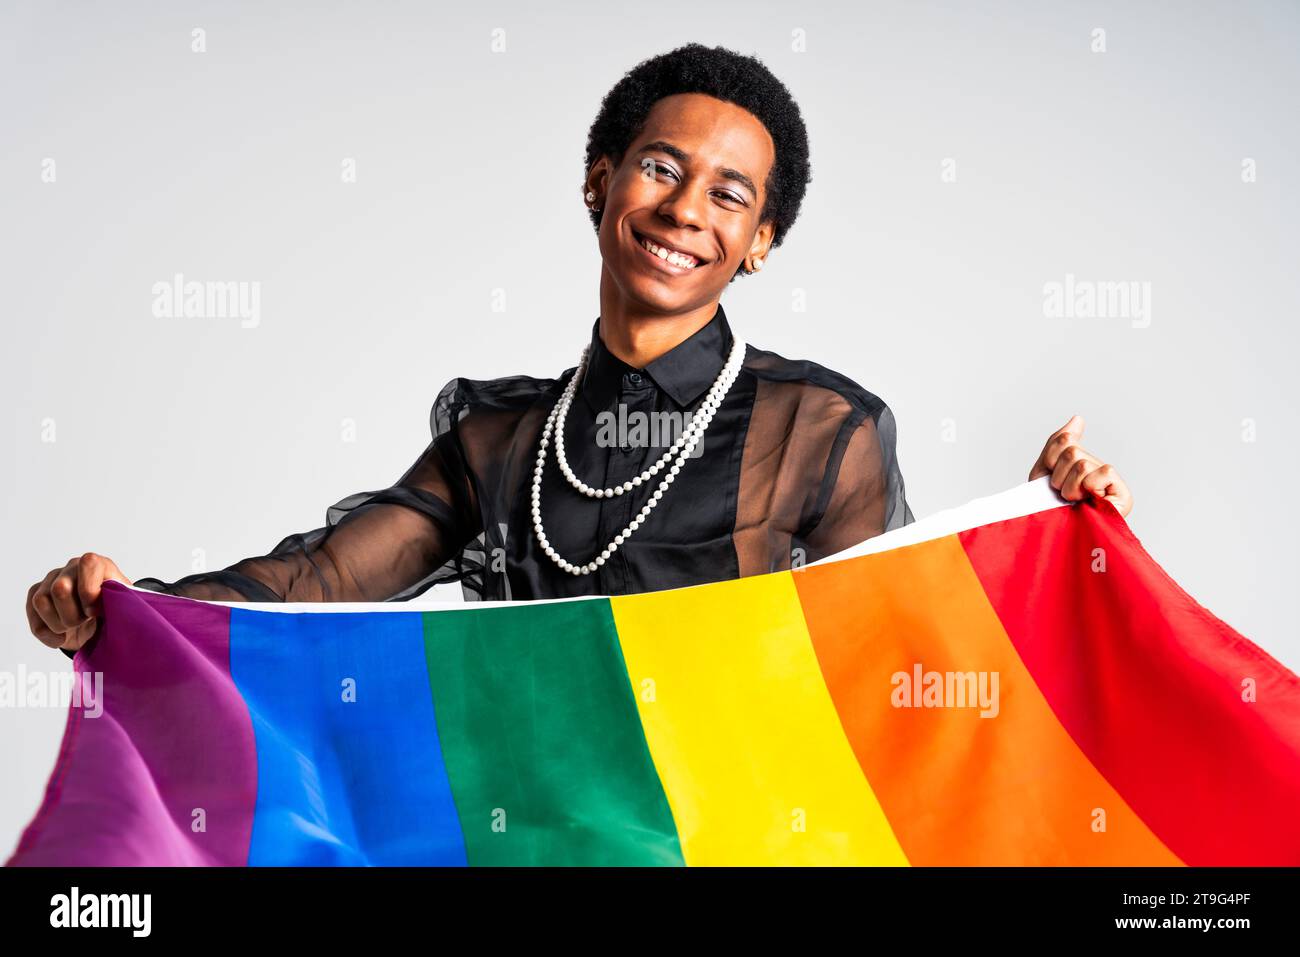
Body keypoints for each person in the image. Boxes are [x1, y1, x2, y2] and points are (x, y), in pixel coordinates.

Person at [26, 43, 1134, 656]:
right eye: (660, 167)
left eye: (730, 194)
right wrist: (131, 607)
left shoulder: (822, 432)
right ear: (600, 179)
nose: (685, 208)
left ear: (760, 243)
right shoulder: (499, 442)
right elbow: (320, 581)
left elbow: (903, 655)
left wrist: (1031, 536)